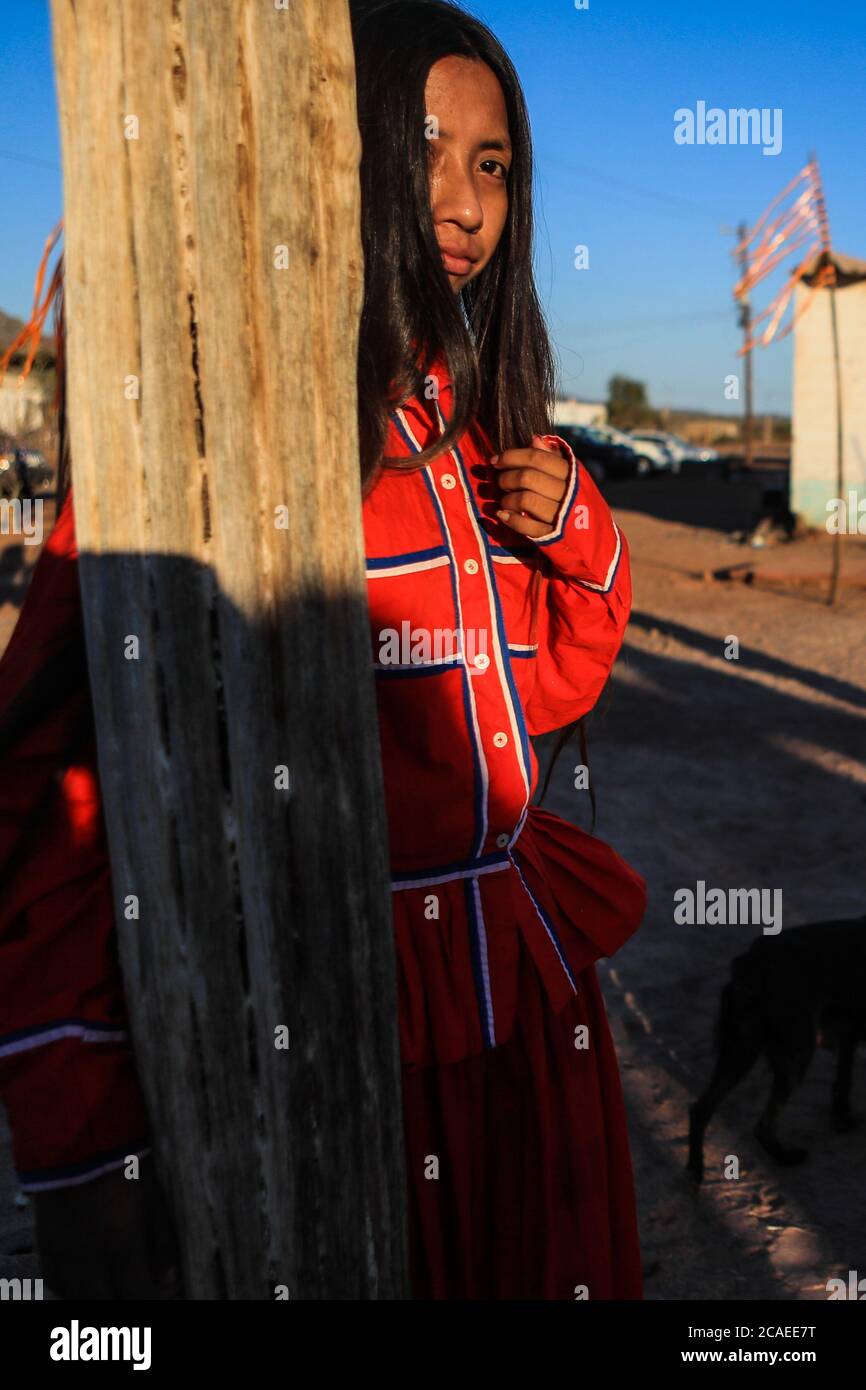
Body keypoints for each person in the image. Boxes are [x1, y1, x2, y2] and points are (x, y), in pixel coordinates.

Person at [0, 0, 647, 1299]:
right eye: (421, 149)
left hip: (520, 1015)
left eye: (493, 163)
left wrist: (579, 540)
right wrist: (77, 1143)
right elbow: (55, 790)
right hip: (329, 1025)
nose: (462, 203)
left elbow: (528, 709)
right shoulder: (215, 431)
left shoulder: (471, 436)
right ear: (332, 154)